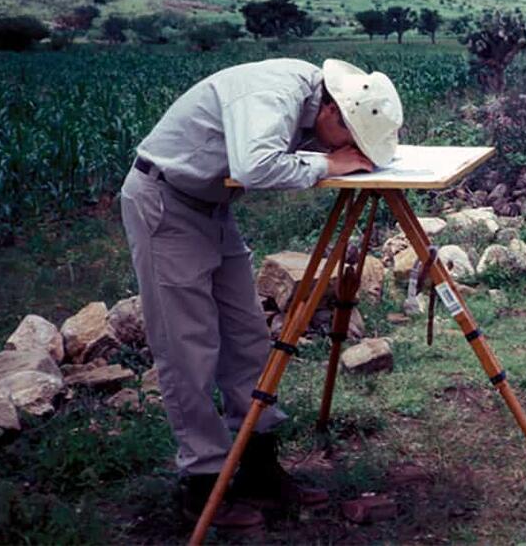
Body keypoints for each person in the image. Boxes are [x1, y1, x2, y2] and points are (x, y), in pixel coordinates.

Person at [119, 58, 402, 530]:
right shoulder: (275, 95)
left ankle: (258, 468)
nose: (352, 150)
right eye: (351, 137)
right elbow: (255, 166)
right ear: (333, 111)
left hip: (211, 206)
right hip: (167, 203)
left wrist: (333, 156)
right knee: (187, 347)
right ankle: (203, 481)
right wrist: (328, 163)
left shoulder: (314, 100)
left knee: (248, 338)